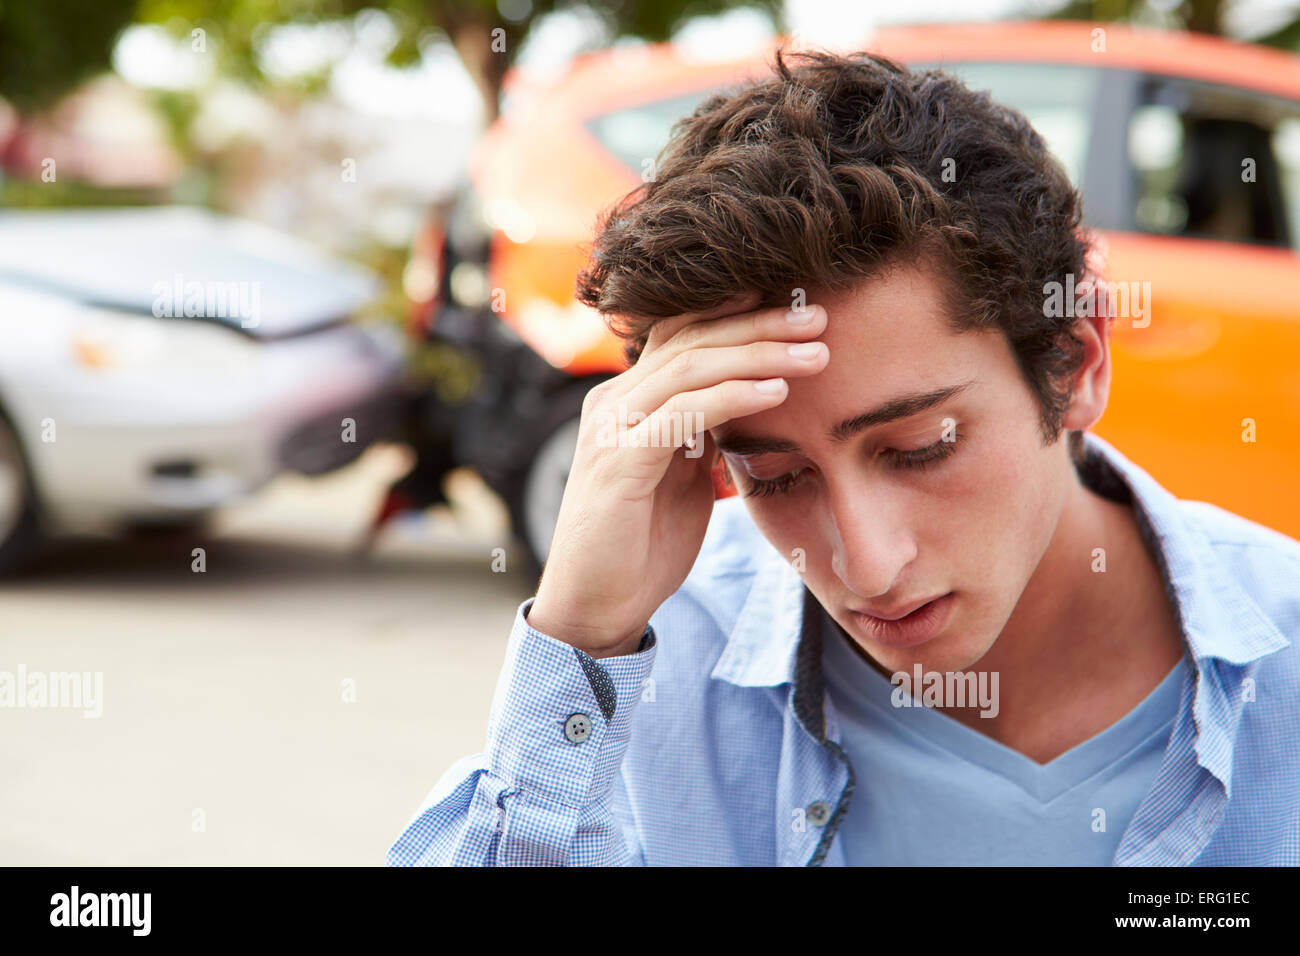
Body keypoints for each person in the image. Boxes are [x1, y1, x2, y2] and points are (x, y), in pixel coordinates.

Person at [387, 49, 1300, 866]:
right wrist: (580, 639)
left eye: (920, 448)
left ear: (1073, 363)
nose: (866, 566)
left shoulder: (1284, 656)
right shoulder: (656, 668)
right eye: (775, 476)